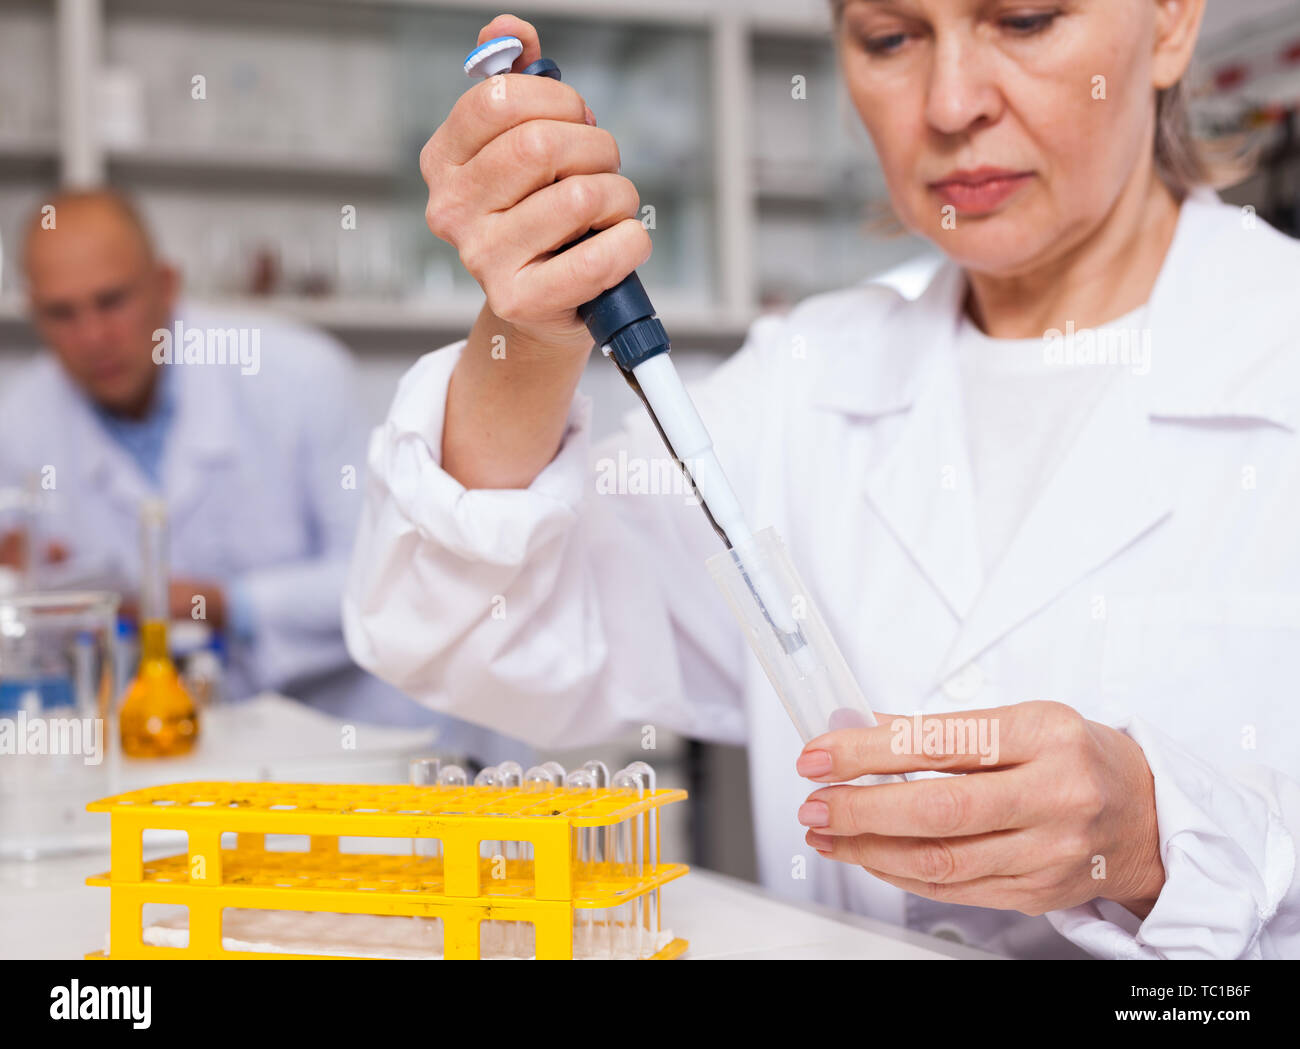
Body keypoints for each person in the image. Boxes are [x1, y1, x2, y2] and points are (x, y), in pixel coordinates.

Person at [343, 5, 1300, 958]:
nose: (951, 102)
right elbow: (464, 636)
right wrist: (533, 332)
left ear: (1171, 25)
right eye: (891, 39)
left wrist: (1164, 842)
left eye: (1024, 19)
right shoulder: (801, 380)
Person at [0, 188, 517, 761]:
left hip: (373, 733)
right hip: (202, 749)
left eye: (112, 301)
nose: (92, 336)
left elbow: (389, 573)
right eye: (61, 313)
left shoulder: (296, 373)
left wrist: (223, 603)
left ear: (166, 285)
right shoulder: (23, 417)